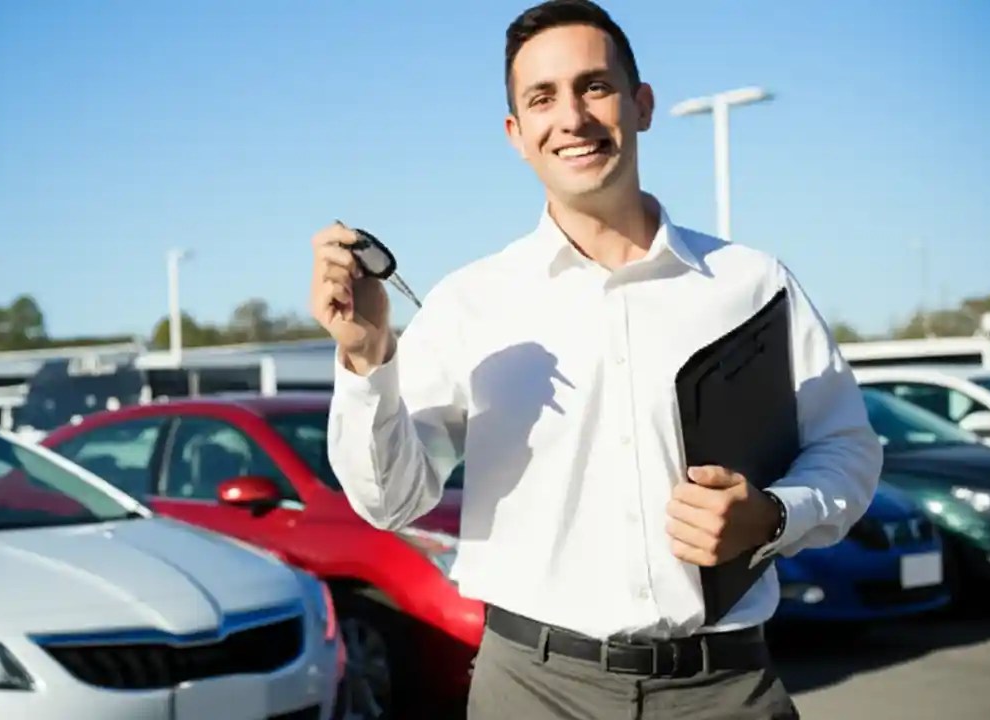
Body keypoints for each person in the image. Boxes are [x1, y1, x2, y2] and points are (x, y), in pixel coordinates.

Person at [307, 0, 882, 717]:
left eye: (595, 87)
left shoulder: (751, 284)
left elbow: (847, 449)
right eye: (542, 98)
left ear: (642, 105)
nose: (572, 117)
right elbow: (393, 501)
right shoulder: (468, 303)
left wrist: (771, 516)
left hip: (724, 688)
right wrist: (367, 359)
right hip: (533, 690)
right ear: (517, 134)